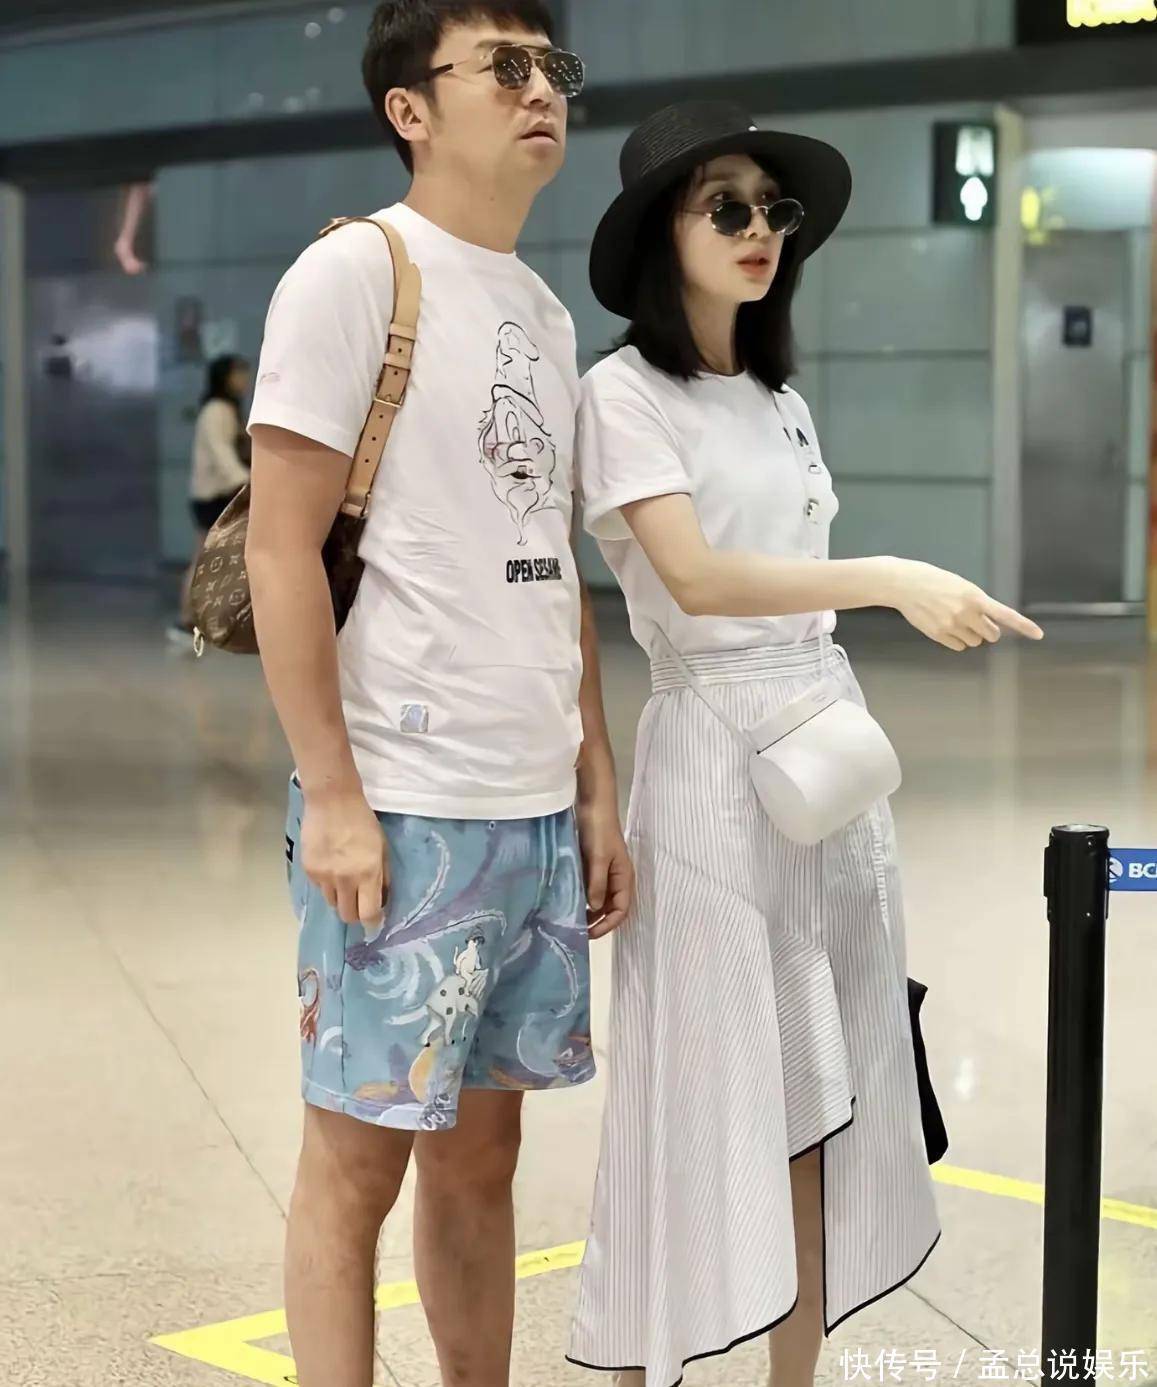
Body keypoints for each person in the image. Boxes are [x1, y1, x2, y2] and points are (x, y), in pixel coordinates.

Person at [566, 101, 1045, 1387]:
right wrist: (887, 575)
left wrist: (864, 597)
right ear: (660, 233)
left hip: (825, 751)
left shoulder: (780, 400)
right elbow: (693, 578)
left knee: (820, 1093)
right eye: (724, 206)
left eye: (772, 209)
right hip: (710, 759)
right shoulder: (619, 394)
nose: (759, 229)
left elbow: (779, 577)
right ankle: (642, 1362)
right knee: (696, 1086)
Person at [243, 5, 632, 1387]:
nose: (541, 91)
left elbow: (551, 563)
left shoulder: (540, 308)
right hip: (404, 800)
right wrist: (335, 793)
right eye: (504, 68)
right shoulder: (356, 272)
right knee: (357, 1158)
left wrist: (594, 781)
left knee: (482, 1153)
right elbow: (278, 547)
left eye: (553, 67)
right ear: (409, 110)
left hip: (528, 803)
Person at [169, 353, 251, 646]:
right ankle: (185, 620)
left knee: (210, 560)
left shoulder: (228, 409)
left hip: (221, 494)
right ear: (224, 377)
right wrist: (248, 481)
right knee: (202, 560)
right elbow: (222, 456)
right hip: (214, 496)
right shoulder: (217, 411)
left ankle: (199, 620)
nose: (245, 379)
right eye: (239, 373)